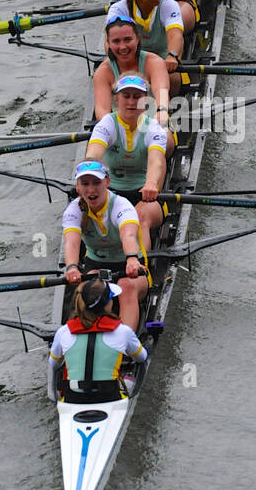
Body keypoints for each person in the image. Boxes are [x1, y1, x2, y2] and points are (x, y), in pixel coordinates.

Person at [86, 73, 171, 253]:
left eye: (137, 96)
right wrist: (87, 180)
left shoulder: (154, 128)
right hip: (110, 193)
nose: (131, 102)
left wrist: (151, 183)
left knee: (138, 217)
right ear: (116, 99)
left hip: (145, 195)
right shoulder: (107, 124)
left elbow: (156, 161)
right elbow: (93, 156)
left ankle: (139, 269)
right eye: (126, 96)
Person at [61, 160, 149, 331]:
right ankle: (89, 339)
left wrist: (131, 259)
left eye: (96, 182)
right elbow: (71, 243)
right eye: (85, 184)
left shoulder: (121, 205)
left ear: (107, 182)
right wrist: (72, 267)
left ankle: (124, 346)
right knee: (90, 287)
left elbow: (128, 235)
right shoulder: (73, 211)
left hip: (129, 266)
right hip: (96, 265)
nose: (91, 190)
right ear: (78, 188)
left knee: (126, 286)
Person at [49, 275, 147, 400]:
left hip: (72, 398)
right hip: (110, 398)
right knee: (129, 380)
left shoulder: (63, 332)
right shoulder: (123, 331)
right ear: (108, 304)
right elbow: (142, 358)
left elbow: (53, 365)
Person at [107, 0, 184, 94]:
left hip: (162, 57)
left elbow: (175, 35)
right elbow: (109, 42)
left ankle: (169, 108)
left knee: (173, 78)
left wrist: (172, 56)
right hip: (130, 57)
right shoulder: (119, 9)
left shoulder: (169, 5)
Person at [92, 11, 172, 122]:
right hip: (120, 127)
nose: (123, 47)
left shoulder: (154, 62)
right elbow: (102, 110)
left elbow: (161, 91)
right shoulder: (102, 72)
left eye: (127, 40)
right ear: (108, 43)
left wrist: (161, 111)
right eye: (116, 41)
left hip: (153, 120)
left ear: (137, 39)